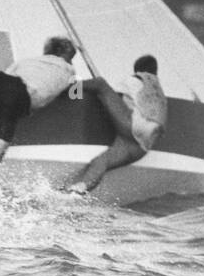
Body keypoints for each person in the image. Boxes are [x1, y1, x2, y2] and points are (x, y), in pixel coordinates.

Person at [0, 36, 78, 168]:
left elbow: (8, 76)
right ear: (68, 55)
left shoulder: (27, 61)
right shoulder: (71, 72)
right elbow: (76, 96)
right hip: (19, 94)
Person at [65, 55, 167, 194]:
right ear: (155, 71)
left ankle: (67, 91)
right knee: (102, 161)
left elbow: (107, 91)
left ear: (137, 70)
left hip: (135, 127)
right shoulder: (159, 90)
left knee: (100, 84)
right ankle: (78, 191)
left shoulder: (135, 79)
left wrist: (75, 89)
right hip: (143, 144)